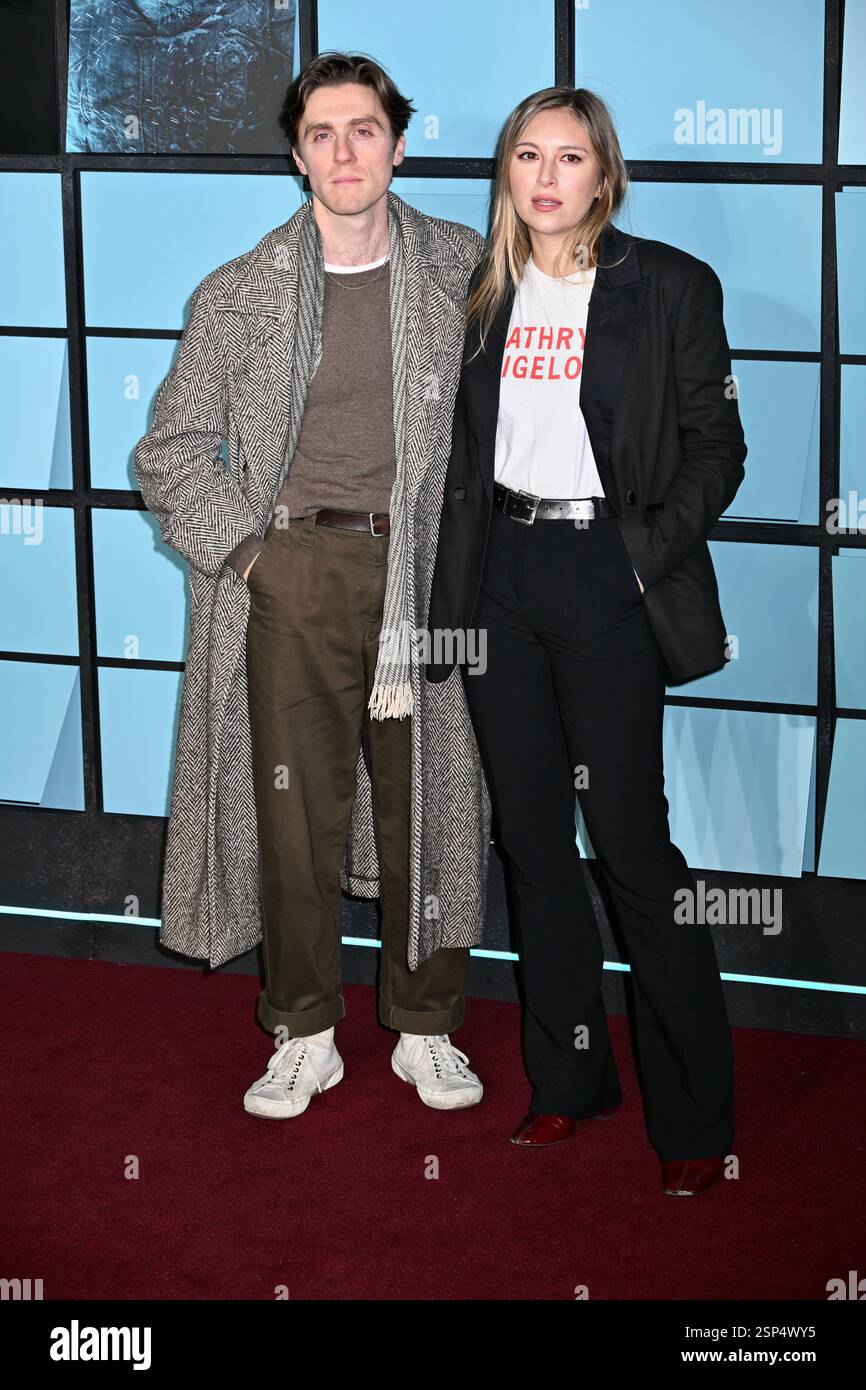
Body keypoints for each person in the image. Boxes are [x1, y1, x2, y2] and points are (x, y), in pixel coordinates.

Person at [134, 52, 493, 1120]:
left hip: (429, 574)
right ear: (297, 156)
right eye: (323, 133)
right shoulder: (238, 292)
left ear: (398, 142)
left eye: (365, 129)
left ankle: (425, 1026)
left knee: (434, 801)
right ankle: (302, 1027)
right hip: (290, 575)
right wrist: (250, 556)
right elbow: (171, 449)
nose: (345, 151)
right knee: (291, 820)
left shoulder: (463, 270)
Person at [426, 86, 747, 1197]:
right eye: (528, 155)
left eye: (570, 157)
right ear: (507, 171)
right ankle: (569, 1085)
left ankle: (694, 1118)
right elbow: (467, 465)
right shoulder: (482, 291)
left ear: (603, 176)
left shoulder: (666, 286)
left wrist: (637, 555)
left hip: (604, 578)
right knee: (530, 844)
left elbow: (717, 445)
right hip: (501, 581)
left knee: (631, 850)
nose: (547, 176)